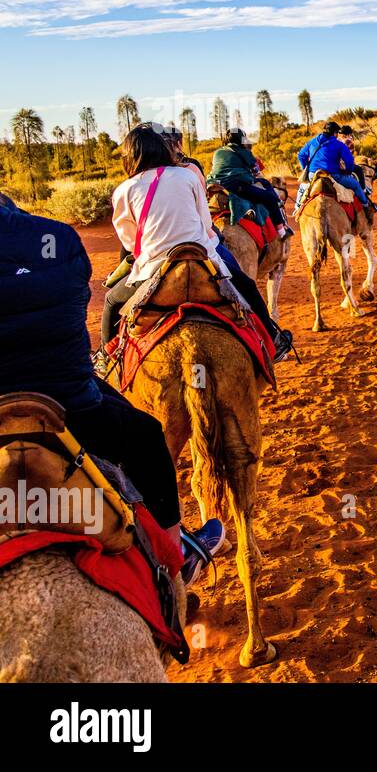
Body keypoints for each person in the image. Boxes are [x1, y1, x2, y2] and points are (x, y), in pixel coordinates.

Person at [0, 192, 223, 585]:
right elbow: (76, 293)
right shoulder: (58, 238)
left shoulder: (129, 189)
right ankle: (176, 558)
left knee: (116, 301)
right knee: (146, 436)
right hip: (72, 412)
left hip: (152, 262)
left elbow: (127, 236)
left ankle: (110, 346)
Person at [102, 124, 292, 360]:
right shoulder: (187, 174)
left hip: (153, 266)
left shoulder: (123, 190)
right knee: (246, 285)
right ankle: (274, 342)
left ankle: (105, 358)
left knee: (111, 302)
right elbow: (204, 221)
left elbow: (130, 242)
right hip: (204, 255)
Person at [209, 128, 291, 239]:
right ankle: (281, 230)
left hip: (218, 184)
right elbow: (257, 172)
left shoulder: (217, 152)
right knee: (270, 198)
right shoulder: (244, 152)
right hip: (238, 186)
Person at [296, 122, 375, 213]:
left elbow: (301, 156)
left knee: (303, 187)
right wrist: (347, 172)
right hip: (333, 175)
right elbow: (349, 161)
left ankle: (298, 208)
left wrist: (307, 167)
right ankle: (366, 207)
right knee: (356, 185)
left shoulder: (312, 141)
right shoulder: (339, 144)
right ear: (335, 133)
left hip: (313, 174)